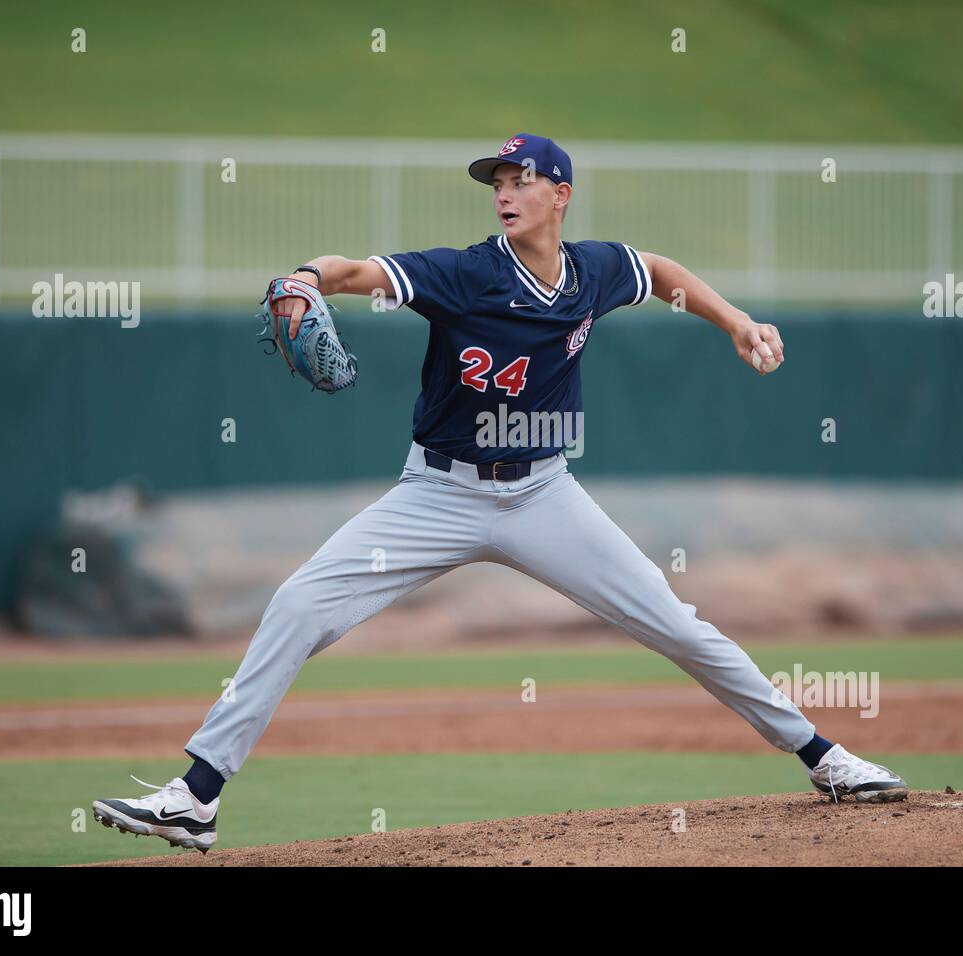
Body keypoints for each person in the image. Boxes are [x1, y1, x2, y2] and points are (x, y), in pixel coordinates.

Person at [92, 134, 908, 853]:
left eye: (521, 180)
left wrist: (735, 321)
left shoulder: (593, 272)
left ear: (561, 194)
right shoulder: (465, 274)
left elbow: (658, 271)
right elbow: (357, 271)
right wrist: (307, 277)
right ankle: (196, 797)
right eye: (498, 183)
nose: (505, 193)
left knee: (676, 625)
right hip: (436, 495)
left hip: (545, 496)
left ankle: (824, 757)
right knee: (300, 605)